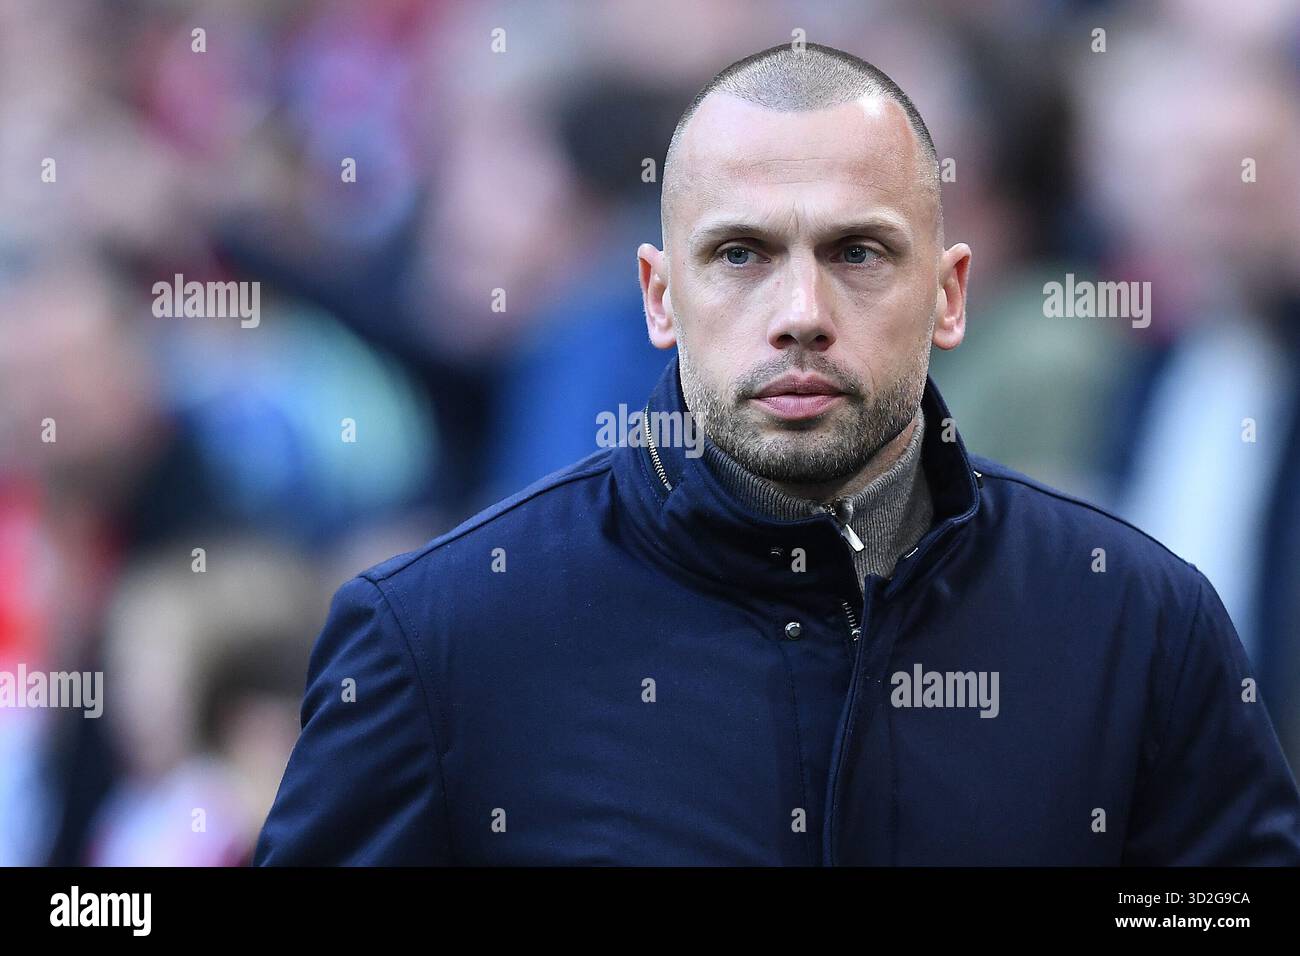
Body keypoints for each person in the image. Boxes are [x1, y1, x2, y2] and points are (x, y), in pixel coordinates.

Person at [254, 42, 1300, 865]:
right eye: (741, 254)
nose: (800, 313)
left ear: (949, 291)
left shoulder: (1138, 623)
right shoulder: (436, 639)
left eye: (857, 252)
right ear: (660, 296)